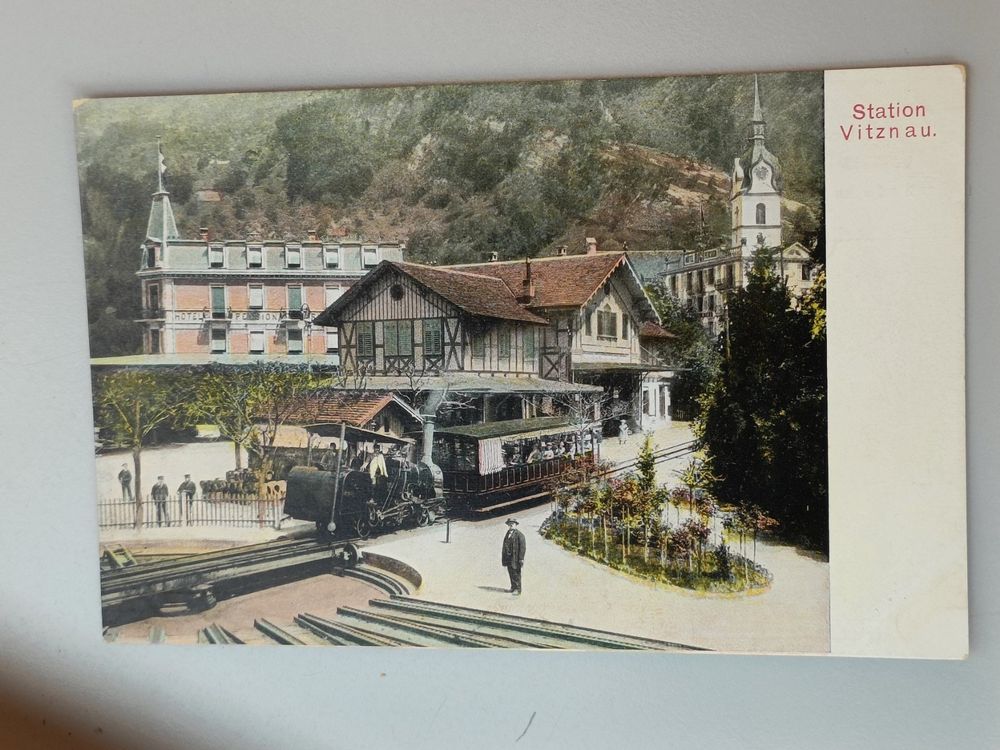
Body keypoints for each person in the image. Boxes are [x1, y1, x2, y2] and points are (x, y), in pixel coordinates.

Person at [501, 518, 526, 595]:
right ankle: (513, 587)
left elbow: (523, 547)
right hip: (508, 558)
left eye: (513, 523)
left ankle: (518, 589)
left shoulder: (520, 535)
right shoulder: (508, 533)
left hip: (516, 558)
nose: (511, 525)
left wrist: (521, 558)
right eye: (509, 524)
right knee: (511, 572)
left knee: (516, 573)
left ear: (516, 525)